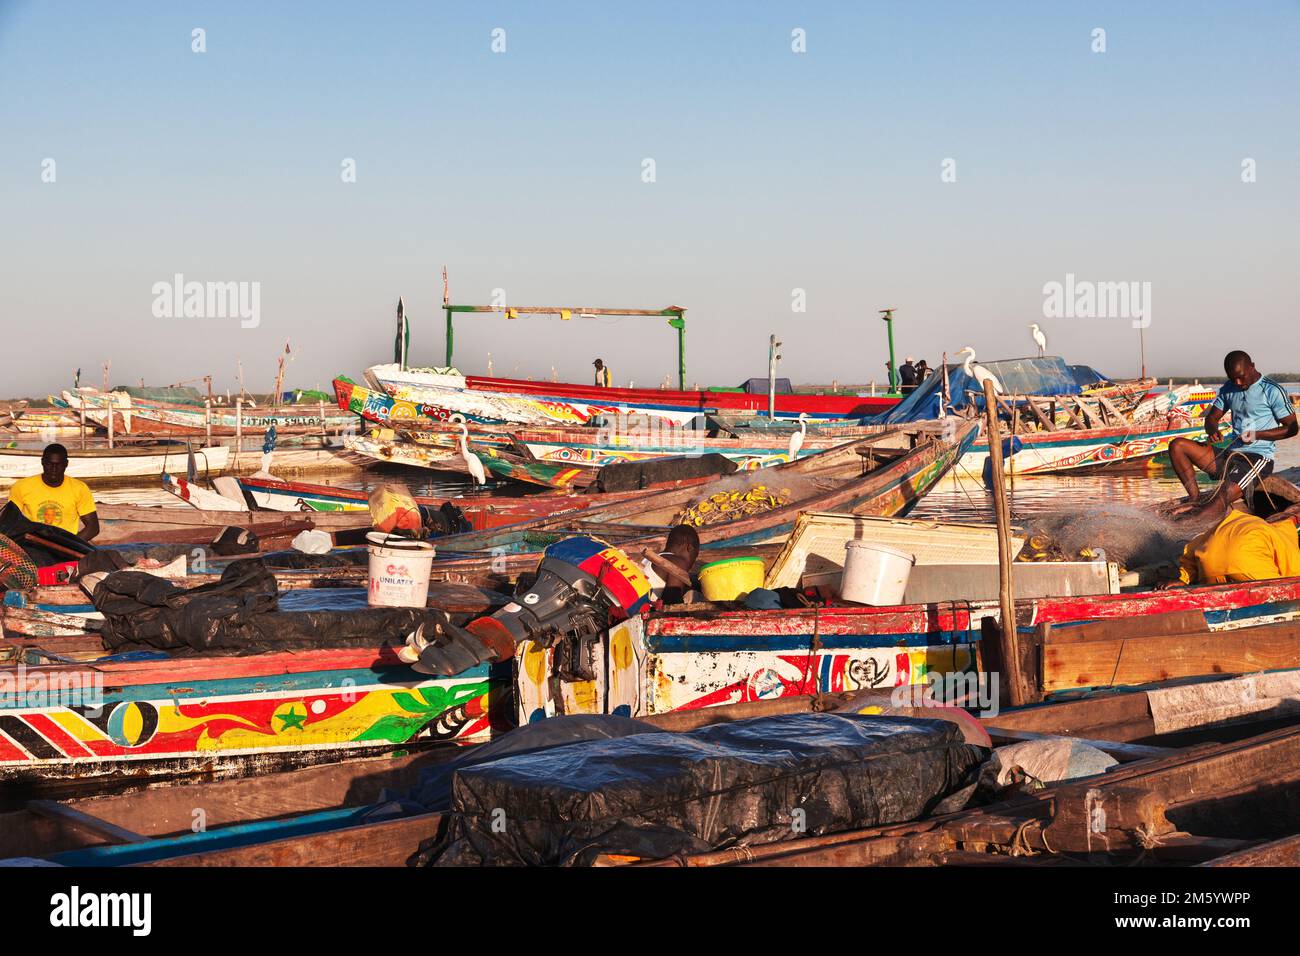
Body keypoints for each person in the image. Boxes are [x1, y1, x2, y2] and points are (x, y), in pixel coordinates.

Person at [1169, 351, 1297, 516]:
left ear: (1252, 367)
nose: (1238, 382)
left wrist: (1257, 435)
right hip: (1230, 454)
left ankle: (1189, 527)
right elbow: (1211, 418)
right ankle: (1195, 499)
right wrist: (1212, 430)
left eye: (1241, 377)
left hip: (1257, 458)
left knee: (1218, 499)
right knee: (1177, 446)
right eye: (1233, 378)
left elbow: (1292, 428)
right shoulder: (1228, 389)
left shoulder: (1272, 390)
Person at [1168, 509, 1300, 586]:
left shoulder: (1230, 522)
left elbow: (1190, 549)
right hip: (1248, 569)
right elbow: (1293, 573)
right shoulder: (1284, 532)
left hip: (1208, 570)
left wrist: (1183, 579)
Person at [5, 444, 99, 541]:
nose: (54, 469)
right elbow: (9, 521)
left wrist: (71, 545)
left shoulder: (79, 489)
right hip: (32, 545)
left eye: (58, 465)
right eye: (50, 464)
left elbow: (93, 527)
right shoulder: (21, 486)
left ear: (66, 464)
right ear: (42, 462)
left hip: (65, 547)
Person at [640, 524, 700, 605]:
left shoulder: (651, 559)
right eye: (694, 557)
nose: (692, 563)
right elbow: (672, 604)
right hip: (641, 613)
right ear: (690, 548)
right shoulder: (678, 562)